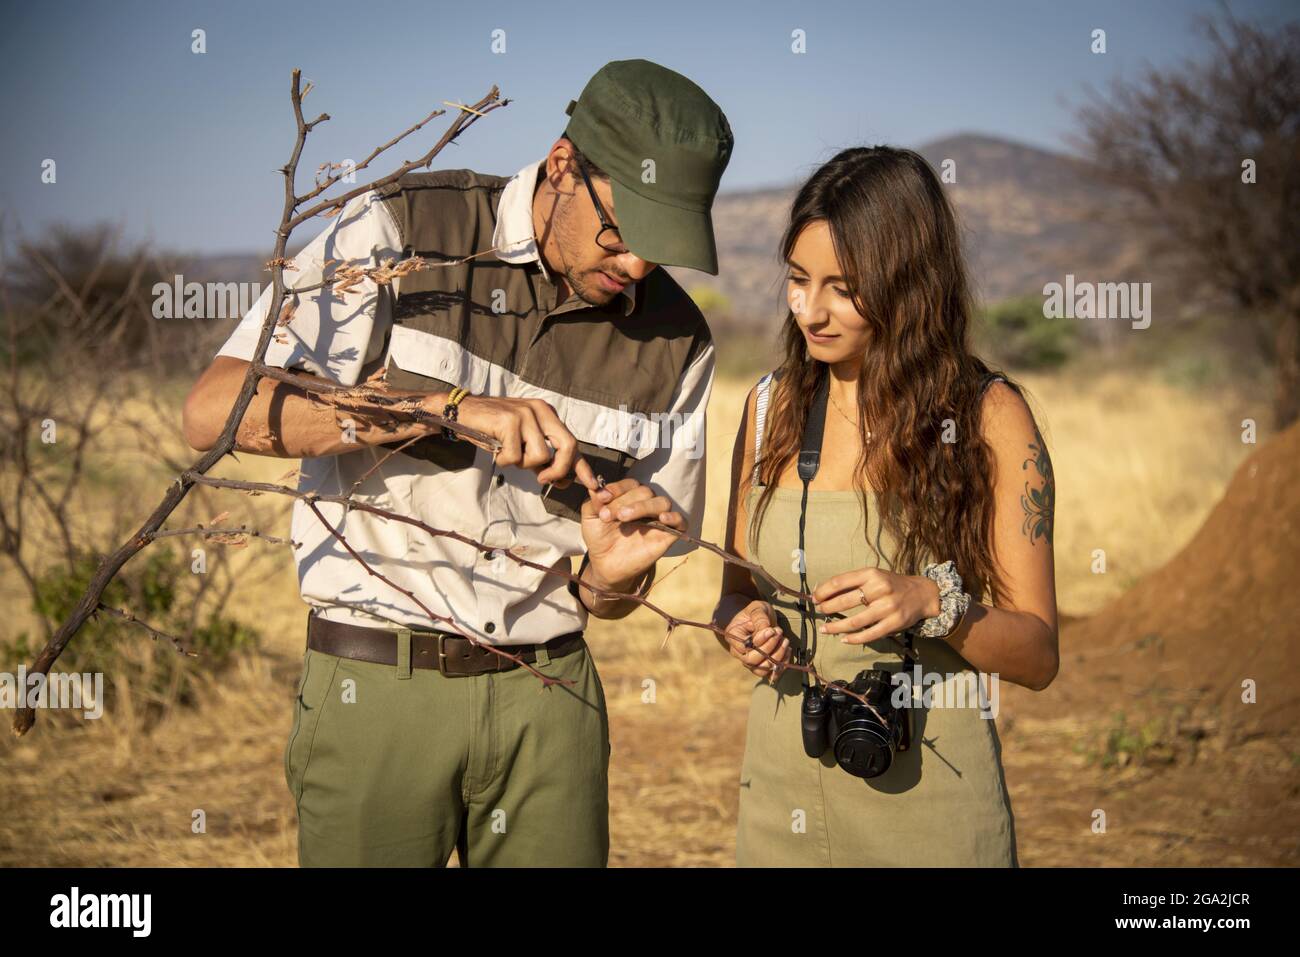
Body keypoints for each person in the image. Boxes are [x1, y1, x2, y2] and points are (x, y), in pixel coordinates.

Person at [182, 59, 733, 866]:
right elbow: (215, 410)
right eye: (621, 232)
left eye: (665, 244)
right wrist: (436, 408)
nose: (639, 268)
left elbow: (613, 593)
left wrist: (613, 578)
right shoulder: (403, 231)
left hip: (552, 700)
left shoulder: (679, 344)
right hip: (376, 688)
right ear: (561, 165)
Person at [711, 146, 1059, 867]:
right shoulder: (769, 405)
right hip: (785, 795)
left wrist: (936, 603)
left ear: (909, 284)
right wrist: (739, 625)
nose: (811, 309)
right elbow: (731, 594)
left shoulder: (989, 414)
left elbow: (1037, 655)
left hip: (930, 806)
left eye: (843, 287)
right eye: (799, 280)